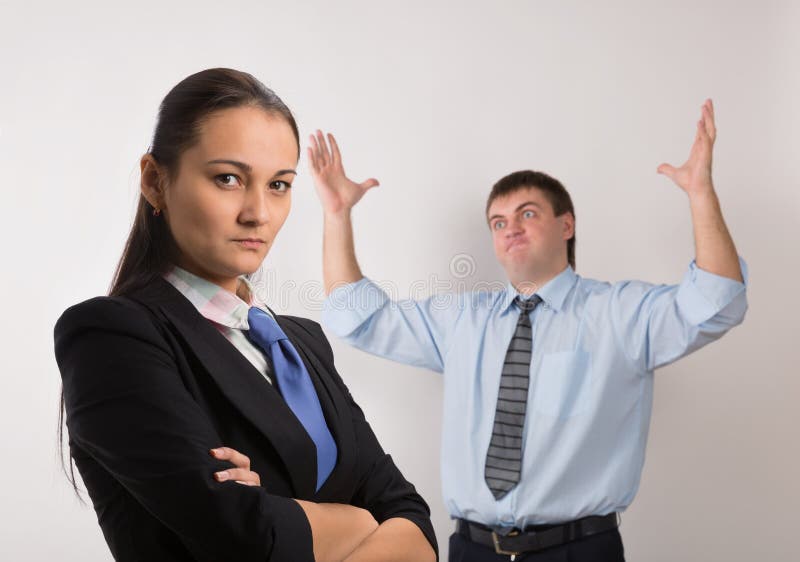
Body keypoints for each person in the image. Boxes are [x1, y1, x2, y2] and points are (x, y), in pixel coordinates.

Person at [312, 99, 747, 561]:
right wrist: (337, 214)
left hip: (579, 550)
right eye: (498, 222)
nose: (510, 228)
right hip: (472, 549)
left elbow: (717, 301)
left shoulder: (621, 314)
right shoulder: (463, 321)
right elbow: (357, 317)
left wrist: (700, 192)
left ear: (567, 225)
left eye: (528, 214)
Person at [54, 68, 437, 562]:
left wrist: (290, 513)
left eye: (279, 184)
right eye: (228, 179)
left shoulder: (302, 341)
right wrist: (360, 520)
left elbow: (414, 521)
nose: (258, 212)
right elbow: (245, 538)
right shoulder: (111, 337)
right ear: (155, 181)